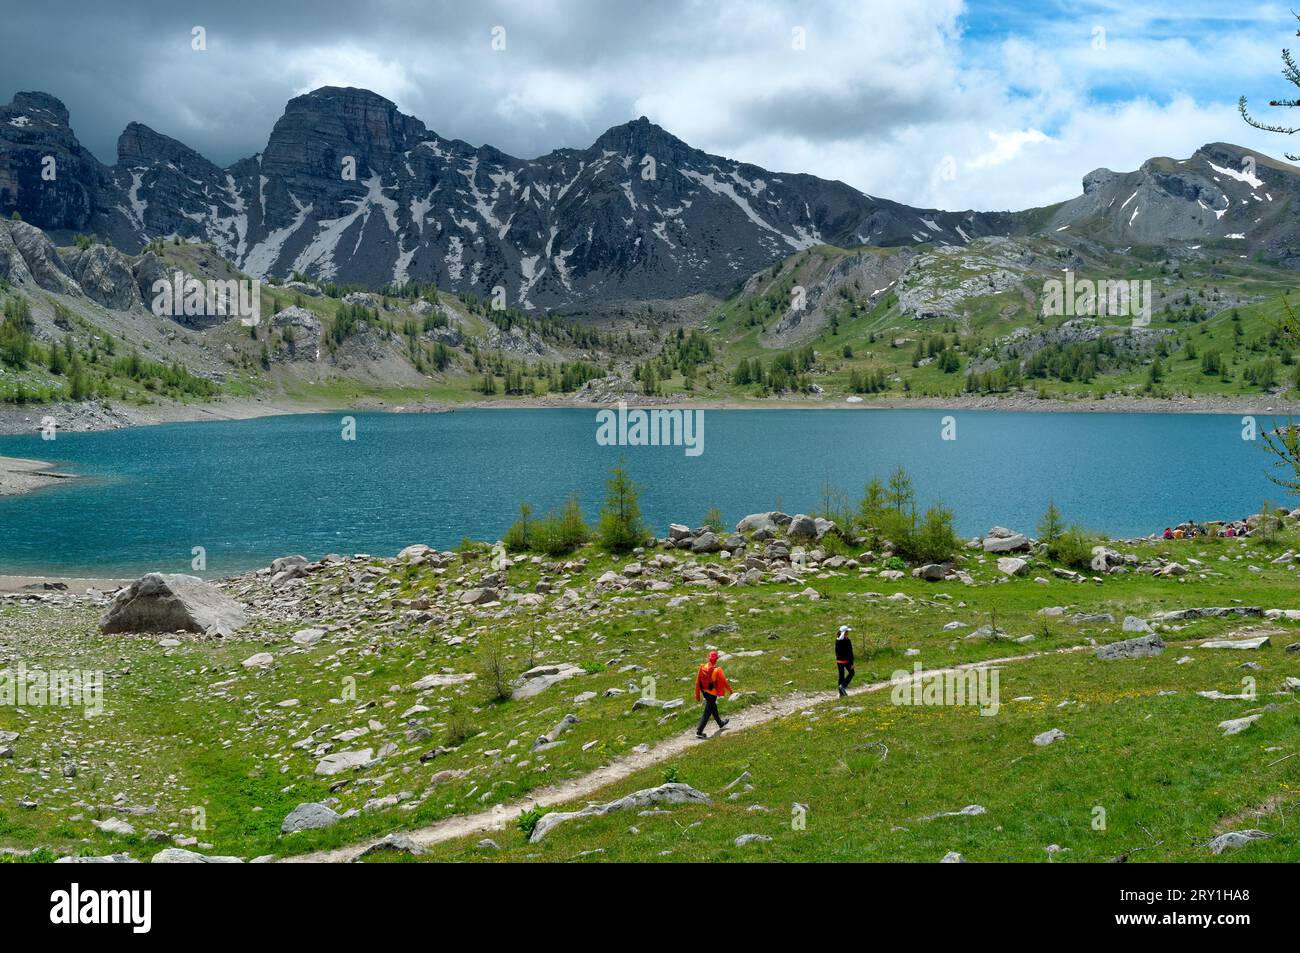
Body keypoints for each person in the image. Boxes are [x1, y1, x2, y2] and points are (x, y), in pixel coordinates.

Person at [694, 650, 731, 738]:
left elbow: (697, 682)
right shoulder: (717, 670)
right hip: (712, 694)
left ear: (708, 658)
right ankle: (699, 732)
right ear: (716, 659)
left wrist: (698, 695)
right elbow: (724, 681)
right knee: (707, 713)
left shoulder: (702, 667)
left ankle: (721, 724)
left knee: (713, 707)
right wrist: (730, 690)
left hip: (705, 693)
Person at [835, 624, 855, 697]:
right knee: (852, 673)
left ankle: (841, 693)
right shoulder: (847, 641)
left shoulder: (837, 640)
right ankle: (843, 686)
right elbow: (850, 652)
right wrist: (852, 663)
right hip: (847, 661)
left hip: (839, 661)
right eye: (847, 632)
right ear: (844, 633)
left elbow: (836, 651)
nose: (848, 633)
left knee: (841, 676)